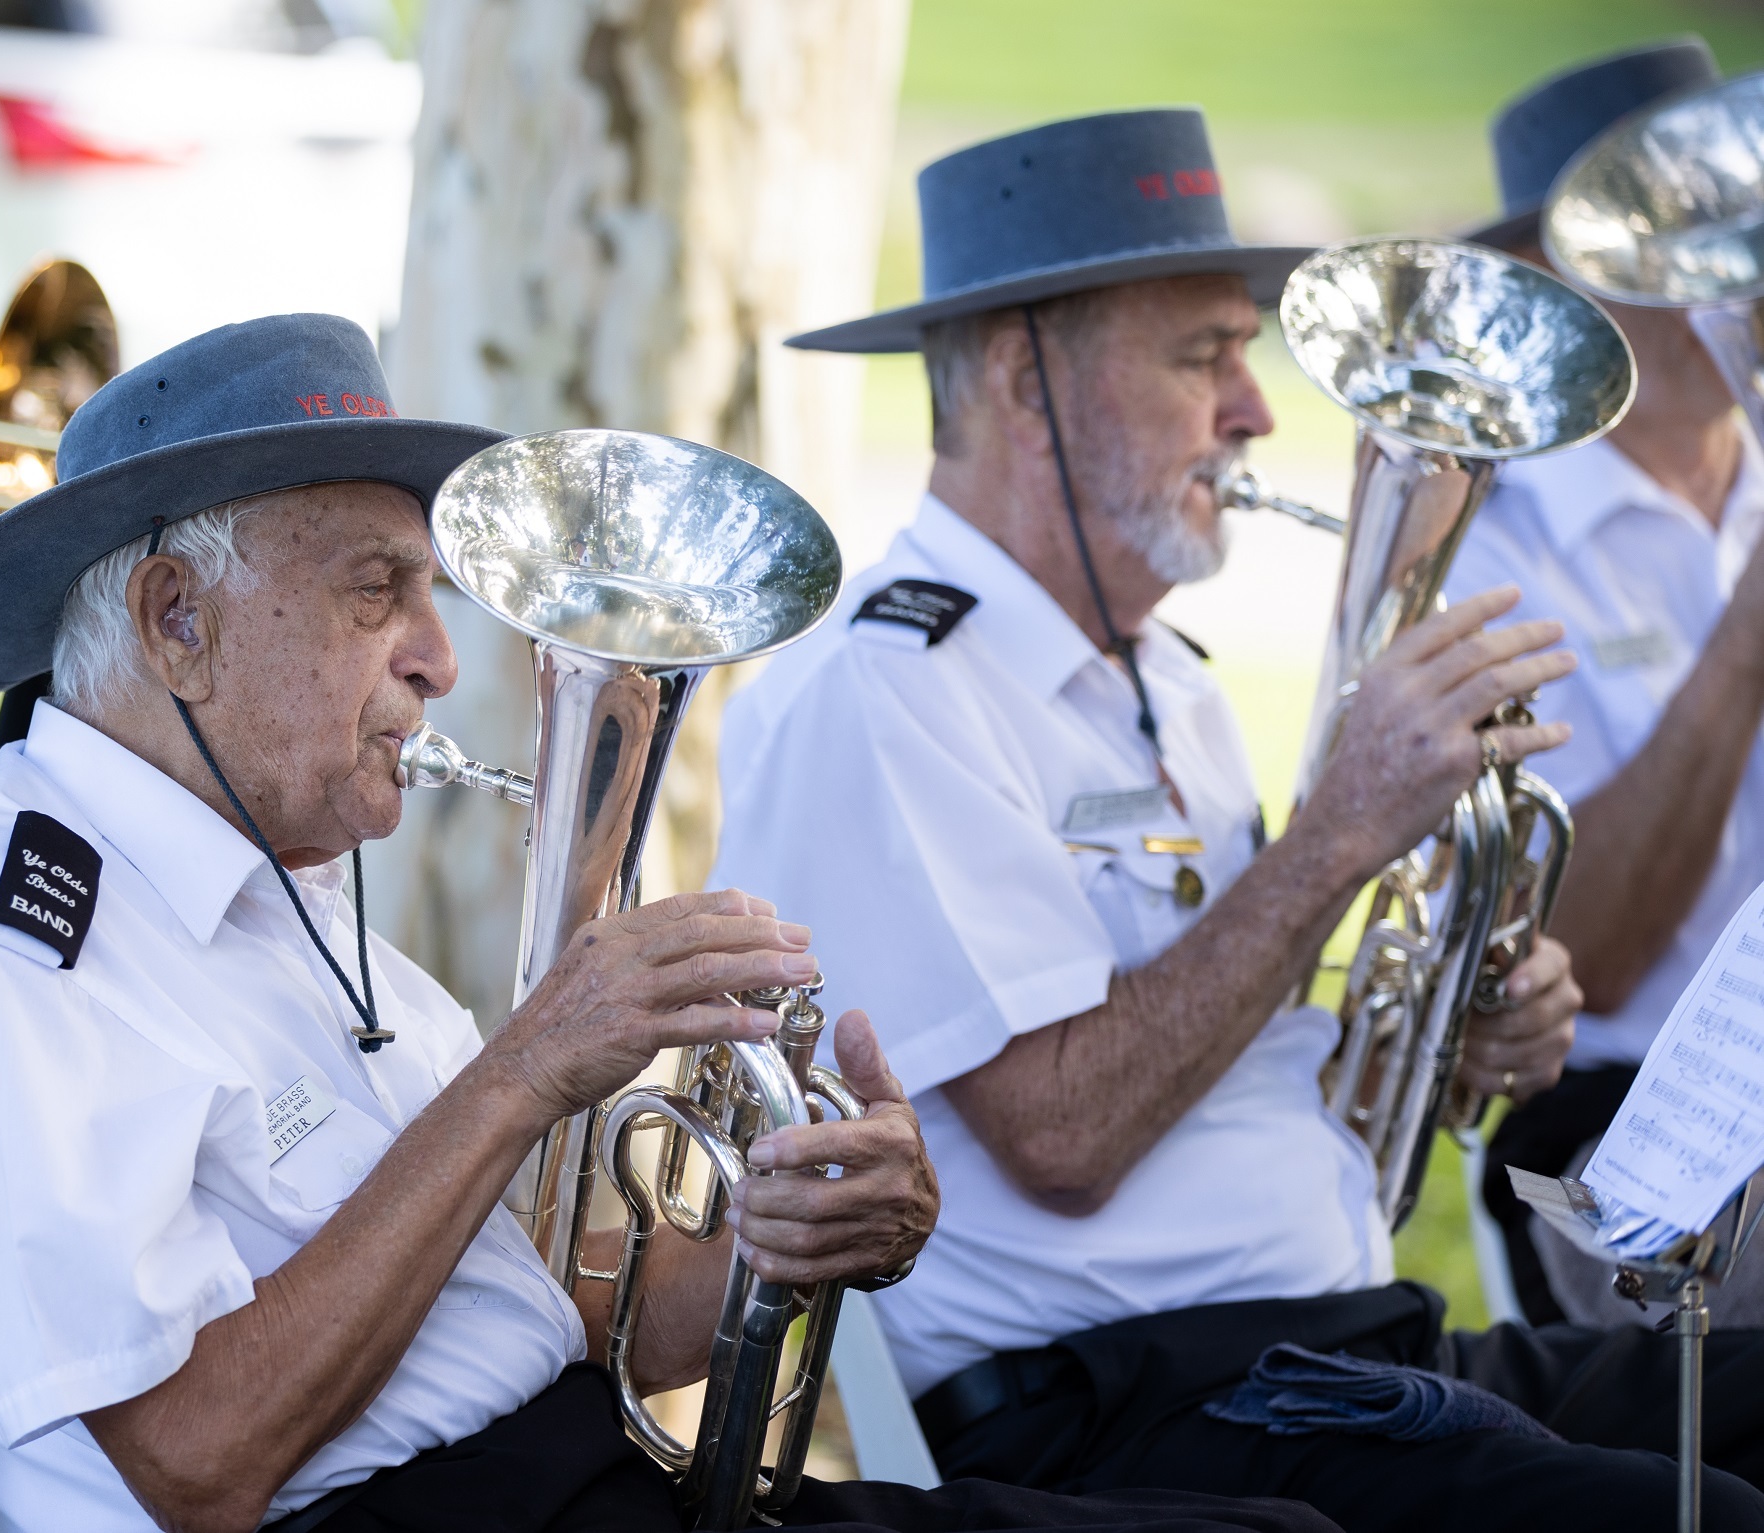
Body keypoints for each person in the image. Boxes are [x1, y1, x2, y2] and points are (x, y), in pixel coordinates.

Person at [0, 312, 1349, 1533]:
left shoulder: (289, 906)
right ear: (175, 622)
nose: (435, 658)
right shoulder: (1, 933)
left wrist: (777, 1239)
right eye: (375, 591)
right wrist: (525, 1070)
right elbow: (196, 1460)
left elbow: (537, 1316)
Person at [709, 107, 1764, 1533]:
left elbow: (1241, 1063)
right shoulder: (880, 689)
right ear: (1028, 377)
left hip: (1331, 1354)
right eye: (1204, 356)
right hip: (1132, 1407)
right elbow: (1069, 1133)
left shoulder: (1167, 682)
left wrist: (1453, 1033)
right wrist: (1343, 827)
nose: (1259, 410)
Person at [1440, 38, 1764, 1328]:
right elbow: (1597, 953)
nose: (1732, 288)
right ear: (1551, 285)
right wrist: (1746, 639)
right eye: (1680, 245)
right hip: (1624, 1128)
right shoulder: (1490, 549)